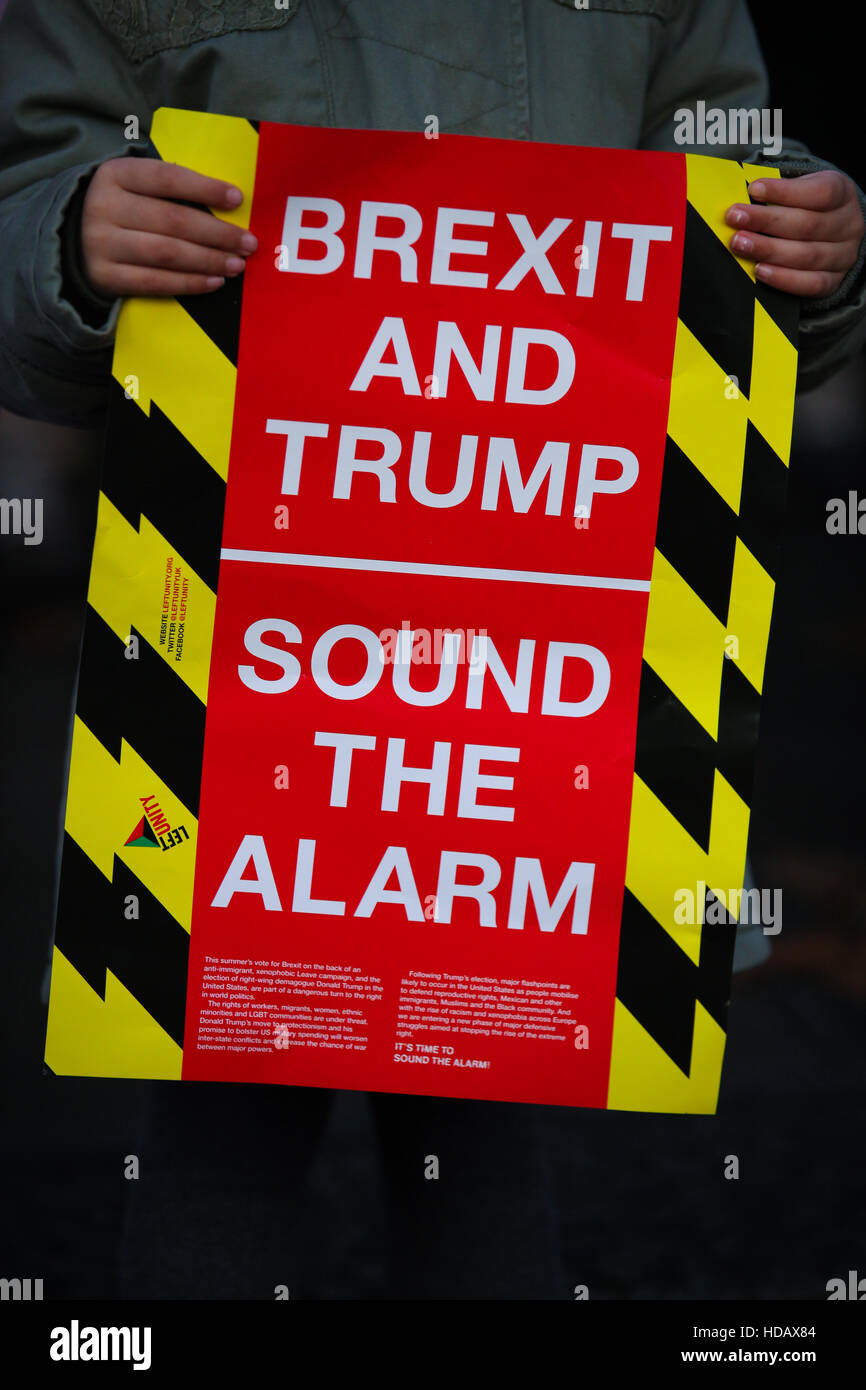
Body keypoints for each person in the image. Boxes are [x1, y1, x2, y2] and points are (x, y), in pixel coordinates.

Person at [1, 0, 864, 1300]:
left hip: (552, 609)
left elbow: (728, 163)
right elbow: (32, 177)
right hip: (239, 610)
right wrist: (69, 233)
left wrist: (807, 230)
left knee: (479, 1075)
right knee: (236, 1077)